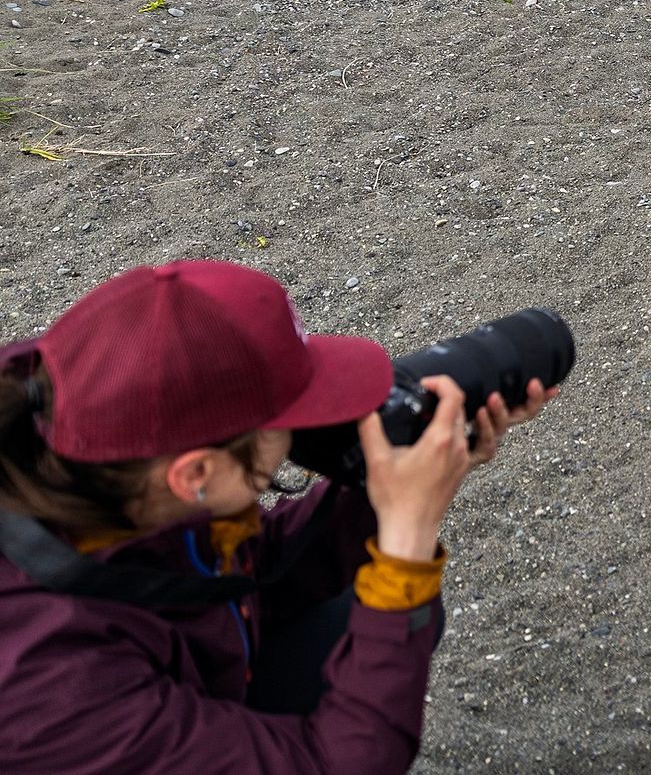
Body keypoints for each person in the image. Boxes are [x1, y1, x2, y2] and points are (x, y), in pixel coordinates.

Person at [0, 260, 559, 773]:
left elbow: (248, 567)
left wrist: (387, 480)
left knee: (362, 612)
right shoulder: (55, 685)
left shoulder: (82, 424)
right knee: (390, 607)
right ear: (195, 474)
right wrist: (407, 538)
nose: (302, 433)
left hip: (151, 674)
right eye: (287, 422)